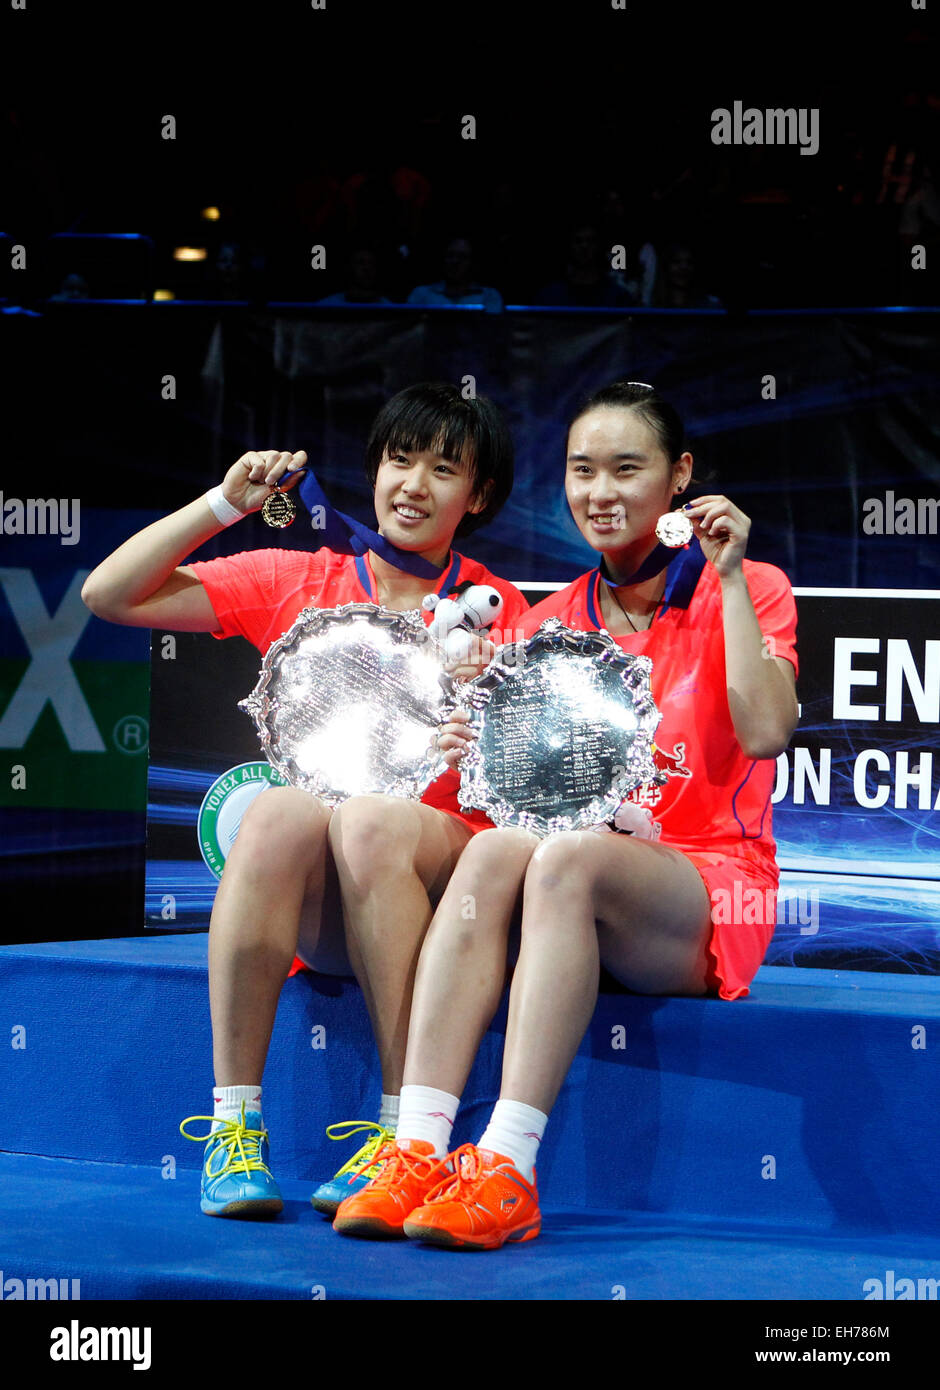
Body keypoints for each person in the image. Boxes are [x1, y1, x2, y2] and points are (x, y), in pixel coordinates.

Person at [332, 380, 799, 1249]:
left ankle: (507, 1167)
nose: (601, 492)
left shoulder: (755, 587)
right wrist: (479, 744)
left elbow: (767, 732)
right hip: (573, 896)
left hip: (705, 886)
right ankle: (419, 1149)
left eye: (628, 469)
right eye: (583, 470)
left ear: (680, 476)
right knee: (497, 851)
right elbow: (522, 804)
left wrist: (729, 576)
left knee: (563, 858)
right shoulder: (547, 624)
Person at [80, 383, 529, 1220]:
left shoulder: (504, 613)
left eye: (443, 468)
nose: (413, 484)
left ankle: (407, 1138)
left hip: (437, 899)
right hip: (324, 904)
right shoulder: (301, 577)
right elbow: (108, 595)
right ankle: (234, 1129)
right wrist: (224, 503)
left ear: (481, 496)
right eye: (400, 459)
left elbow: (523, 800)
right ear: (374, 467)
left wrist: (487, 727)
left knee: (366, 819)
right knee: (278, 810)